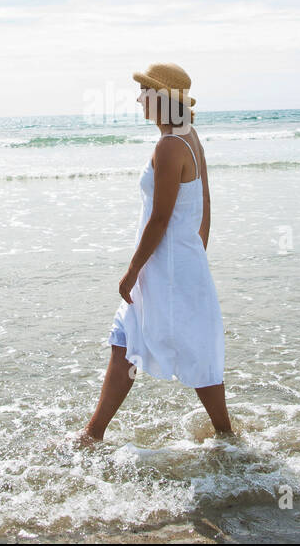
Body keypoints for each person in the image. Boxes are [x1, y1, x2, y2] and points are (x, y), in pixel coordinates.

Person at [78, 62, 230, 444]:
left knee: (192, 349)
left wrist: (132, 271)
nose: (138, 99)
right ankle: (93, 433)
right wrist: (197, 251)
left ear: (161, 99)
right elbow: (205, 202)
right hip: (177, 262)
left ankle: (227, 434)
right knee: (125, 339)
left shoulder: (169, 146)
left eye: (145, 92)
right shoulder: (189, 135)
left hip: (168, 266)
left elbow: (160, 219)